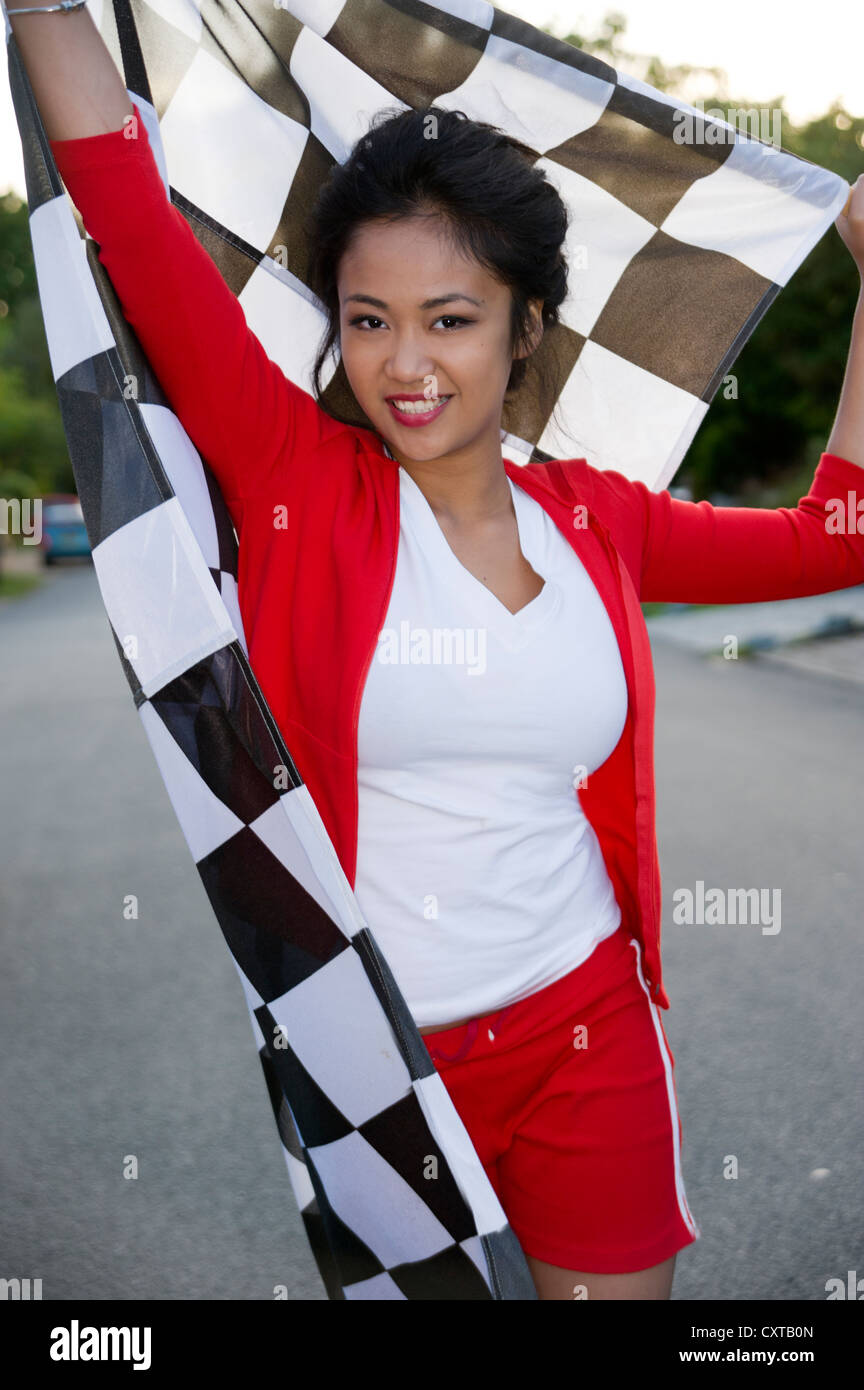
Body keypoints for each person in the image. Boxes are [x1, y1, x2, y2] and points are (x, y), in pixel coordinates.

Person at [9, 0, 864, 1302]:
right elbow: (125, 206)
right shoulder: (299, 476)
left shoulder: (597, 516)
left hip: (592, 1028)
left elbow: (833, 540)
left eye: (451, 319)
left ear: (528, 329)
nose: (403, 365)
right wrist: (46, 12)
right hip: (386, 1062)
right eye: (367, 320)